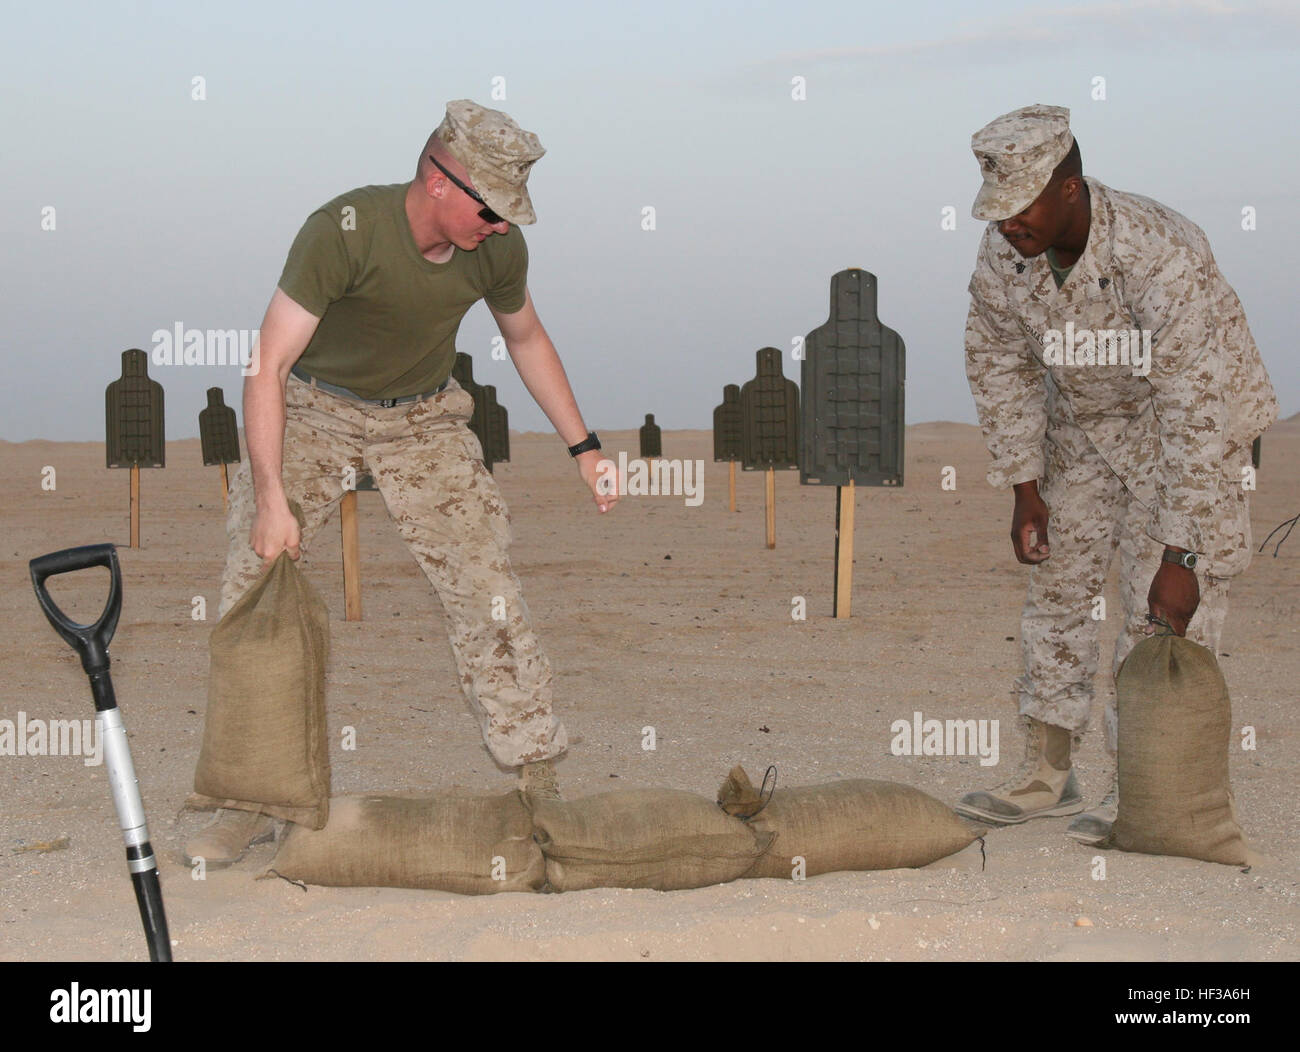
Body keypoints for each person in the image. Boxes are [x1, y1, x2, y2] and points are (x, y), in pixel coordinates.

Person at [185, 100, 616, 866]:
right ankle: (249, 800)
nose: (504, 226)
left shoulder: (496, 250)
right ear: (439, 181)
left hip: (423, 419)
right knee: (256, 584)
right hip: (312, 408)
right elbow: (268, 366)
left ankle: (535, 776)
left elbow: (526, 337)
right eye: (493, 208)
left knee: (485, 583)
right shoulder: (342, 231)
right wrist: (272, 500)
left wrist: (583, 446)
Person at [955, 104, 1277, 844]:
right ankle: (1047, 772)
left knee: (1158, 609)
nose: (1006, 225)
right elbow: (997, 360)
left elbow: (1195, 402)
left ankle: (1148, 792)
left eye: (1020, 206)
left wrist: (1184, 553)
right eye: (995, 210)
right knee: (1057, 587)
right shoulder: (1006, 251)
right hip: (1087, 424)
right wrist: (1024, 486)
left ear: (1070, 186)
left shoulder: (1158, 249)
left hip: (1189, 429)